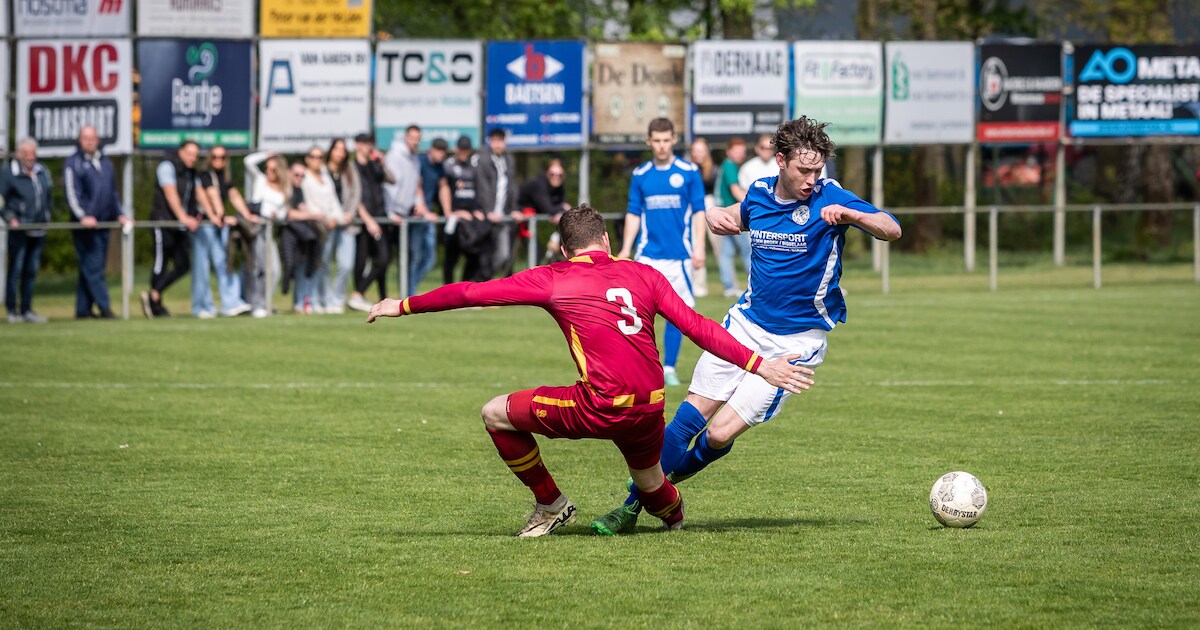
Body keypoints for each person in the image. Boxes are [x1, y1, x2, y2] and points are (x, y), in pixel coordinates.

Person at [366, 204, 814, 537]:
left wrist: (402, 305)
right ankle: (675, 519)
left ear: (565, 250)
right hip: (650, 408)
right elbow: (698, 327)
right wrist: (760, 365)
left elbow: (470, 293)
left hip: (601, 406)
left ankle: (551, 504)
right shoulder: (645, 274)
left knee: (494, 413)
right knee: (651, 485)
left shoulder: (554, 277)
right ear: (607, 241)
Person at [592, 117, 902, 535]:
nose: (812, 179)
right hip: (744, 325)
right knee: (687, 418)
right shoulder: (758, 194)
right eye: (803, 170)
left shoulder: (831, 195)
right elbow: (734, 217)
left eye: (817, 170)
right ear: (781, 161)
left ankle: (657, 490)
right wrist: (717, 215)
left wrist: (850, 214)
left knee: (719, 434)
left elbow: (892, 229)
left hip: (796, 341)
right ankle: (631, 505)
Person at [617, 118, 707, 387]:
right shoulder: (641, 174)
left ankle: (669, 368)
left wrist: (699, 247)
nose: (662, 145)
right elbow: (634, 213)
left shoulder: (689, 172)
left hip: (679, 257)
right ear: (649, 141)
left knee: (677, 315)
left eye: (666, 140)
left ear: (674, 140)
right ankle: (642, 366)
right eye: (656, 140)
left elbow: (699, 213)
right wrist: (625, 249)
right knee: (637, 314)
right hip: (647, 257)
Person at [64, 125, 126, 320]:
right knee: (93, 267)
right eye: (86, 137)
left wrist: (120, 214)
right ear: (79, 140)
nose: (90, 141)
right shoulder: (73, 163)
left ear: (97, 140)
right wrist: (83, 216)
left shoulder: (105, 162)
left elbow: (112, 194)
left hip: (104, 224)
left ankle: (83, 310)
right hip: (85, 226)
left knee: (90, 267)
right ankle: (105, 307)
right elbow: (72, 194)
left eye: (92, 137)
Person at [142, 140, 202, 318]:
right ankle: (155, 303)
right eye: (190, 154)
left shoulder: (191, 172)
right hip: (164, 222)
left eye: (196, 155)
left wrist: (202, 214)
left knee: (183, 265)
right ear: (181, 152)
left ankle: (154, 294)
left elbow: (197, 196)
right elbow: (171, 194)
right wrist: (183, 217)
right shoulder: (167, 166)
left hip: (180, 226)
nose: (193, 158)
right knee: (161, 263)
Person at [194, 146, 252, 318]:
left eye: (222, 157)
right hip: (204, 224)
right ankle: (203, 306)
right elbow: (211, 195)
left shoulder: (225, 177)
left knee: (225, 262)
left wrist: (248, 215)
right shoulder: (205, 174)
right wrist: (220, 216)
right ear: (210, 158)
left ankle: (231, 302)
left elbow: (234, 195)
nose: (218, 160)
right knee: (202, 266)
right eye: (215, 157)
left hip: (218, 224)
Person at [2, 138, 53, 324]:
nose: (31, 157)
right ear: (18, 154)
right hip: (19, 230)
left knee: (31, 271)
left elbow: (48, 196)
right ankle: (11, 310)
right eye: (27, 154)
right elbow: (1, 201)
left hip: (38, 229)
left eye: (33, 153)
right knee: (15, 269)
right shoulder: (9, 173)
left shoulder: (42, 171)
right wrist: (10, 218)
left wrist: (47, 215)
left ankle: (26, 309)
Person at [348, 133, 396, 312]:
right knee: (361, 261)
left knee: (383, 259)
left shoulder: (375, 165)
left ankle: (377, 296)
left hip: (380, 218)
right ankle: (358, 295)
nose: (369, 146)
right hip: (362, 221)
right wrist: (367, 219)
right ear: (357, 145)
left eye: (370, 143)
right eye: (365, 143)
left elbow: (392, 179)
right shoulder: (352, 167)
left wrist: (382, 163)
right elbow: (355, 196)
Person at [383, 125, 431, 297]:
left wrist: (417, 204)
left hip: (406, 215)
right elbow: (390, 185)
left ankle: (407, 294)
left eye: (418, 138)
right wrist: (390, 212)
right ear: (405, 137)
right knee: (384, 259)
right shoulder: (395, 156)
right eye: (412, 137)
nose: (415, 141)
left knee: (411, 256)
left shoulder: (415, 159)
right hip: (392, 215)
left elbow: (415, 186)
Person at [243, 151, 292, 317]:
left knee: (275, 270)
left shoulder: (285, 188)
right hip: (257, 227)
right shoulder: (260, 180)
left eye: (273, 169)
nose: (269, 172)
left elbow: (283, 212)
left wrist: (276, 215)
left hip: (270, 230)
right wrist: (267, 154)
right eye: (267, 168)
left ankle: (265, 302)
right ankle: (256, 304)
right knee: (259, 267)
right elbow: (248, 161)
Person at [439, 136, 489, 283]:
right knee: (451, 257)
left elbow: (477, 190)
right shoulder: (449, 165)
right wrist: (450, 212)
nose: (464, 153)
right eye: (462, 149)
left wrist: (477, 209)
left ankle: (464, 286)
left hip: (470, 219)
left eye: (466, 149)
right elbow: (443, 188)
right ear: (456, 149)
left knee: (474, 253)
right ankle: (447, 290)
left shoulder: (473, 166)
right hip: (454, 218)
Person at [476, 127, 520, 278]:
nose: (498, 144)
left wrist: (514, 208)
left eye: (500, 140)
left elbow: (512, 187)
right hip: (486, 217)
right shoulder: (483, 159)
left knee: (503, 254)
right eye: (495, 140)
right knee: (483, 257)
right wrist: (488, 211)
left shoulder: (509, 160)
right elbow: (482, 187)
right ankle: (480, 282)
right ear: (490, 142)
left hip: (503, 217)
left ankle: (487, 282)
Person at [323, 138, 360, 314]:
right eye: (336, 149)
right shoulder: (322, 170)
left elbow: (356, 192)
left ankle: (337, 299)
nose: (339, 153)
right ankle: (325, 299)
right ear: (331, 150)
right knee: (324, 263)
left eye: (343, 150)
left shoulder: (349, 169)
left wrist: (350, 213)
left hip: (346, 223)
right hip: (328, 223)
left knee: (346, 264)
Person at [282, 162, 324, 313]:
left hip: (303, 236)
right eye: (296, 174)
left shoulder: (300, 190)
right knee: (290, 266)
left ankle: (304, 301)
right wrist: (310, 215)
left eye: (302, 175)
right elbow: (288, 213)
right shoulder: (285, 189)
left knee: (307, 267)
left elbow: (300, 209)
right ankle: (292, 298)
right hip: (290, 234)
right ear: (289, 173)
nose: (299, 178)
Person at [713, 137, 752, 298]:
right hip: (732, 216)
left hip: (724, 213)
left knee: (726, 253)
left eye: (742, 152)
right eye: (737, 152)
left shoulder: (727, 165)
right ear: (728, 152)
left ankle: (729, 287)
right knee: (747, 251)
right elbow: (735, 190)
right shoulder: (729, 166)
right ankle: (755, 284)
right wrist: (753, 205)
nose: (740, 155)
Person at [517, 158, 572, 264]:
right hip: (519, 219)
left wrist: (560, 212)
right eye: (552, 174)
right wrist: (561, 208)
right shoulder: (539, 185)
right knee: (507, 255)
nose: (556, 177)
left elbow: (562, 207)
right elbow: (549, 209)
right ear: (547, 173)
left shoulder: (559, 186)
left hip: (532, 219)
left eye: (559, 175)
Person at [411, 137, 448, 294]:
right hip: (416, 215)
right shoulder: (420, 162)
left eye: (443, 151)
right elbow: (417, 186)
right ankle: (409, 292)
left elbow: (444, 187)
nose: (441, 154)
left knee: (430, 259)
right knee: (415, 256)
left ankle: (410, 289)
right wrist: (425, 211)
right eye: (438, 150)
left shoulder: (440, 166)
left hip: (428, 216)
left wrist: (448, 213)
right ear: (431, 149)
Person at [689, 138, 718, 297]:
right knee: (696, 244)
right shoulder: (688, 169)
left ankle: (730, 283)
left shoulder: (714, 169)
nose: (697, 154)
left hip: (712, 204)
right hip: (694, 208)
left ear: (707, 151)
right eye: (695, 150)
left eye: (700, 150)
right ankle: (699, 285)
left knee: (719, 245)